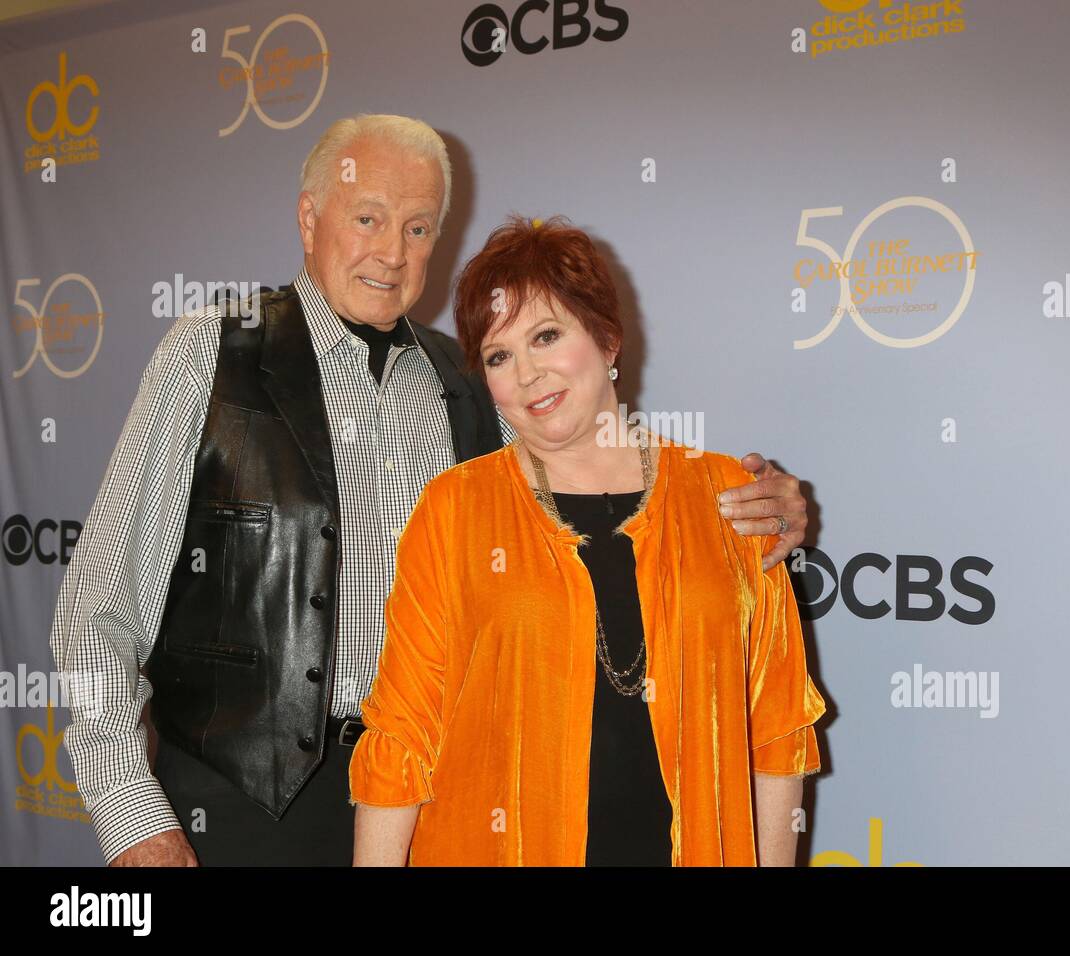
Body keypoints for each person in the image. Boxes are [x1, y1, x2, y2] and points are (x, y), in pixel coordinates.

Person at [48, 115, 812, 867]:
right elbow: (97, 611)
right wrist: (131, 817)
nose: (392, 251)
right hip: (239, 814)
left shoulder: (471, 381)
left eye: (419, 228)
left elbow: (598, 478)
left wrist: (767, 505)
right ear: (309, 218)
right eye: (369, 218)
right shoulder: (212, 353)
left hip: (432, 807)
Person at [350, 216, 826, 866]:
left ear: (606, 338)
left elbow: (776, 731)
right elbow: (403, 735)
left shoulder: (731, 499)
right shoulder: (455, 509)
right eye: (499, 355)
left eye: (547, 335)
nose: (527, 373)